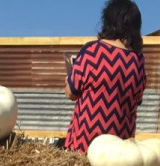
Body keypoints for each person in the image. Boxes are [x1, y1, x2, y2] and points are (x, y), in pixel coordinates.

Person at [62, 0, 146, 154]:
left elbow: (71, 93)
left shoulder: (92, 51)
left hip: (86, 142)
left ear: (107, 21)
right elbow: (137, 100)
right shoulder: (138, 60)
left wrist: (69, 80)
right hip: (121, 146)